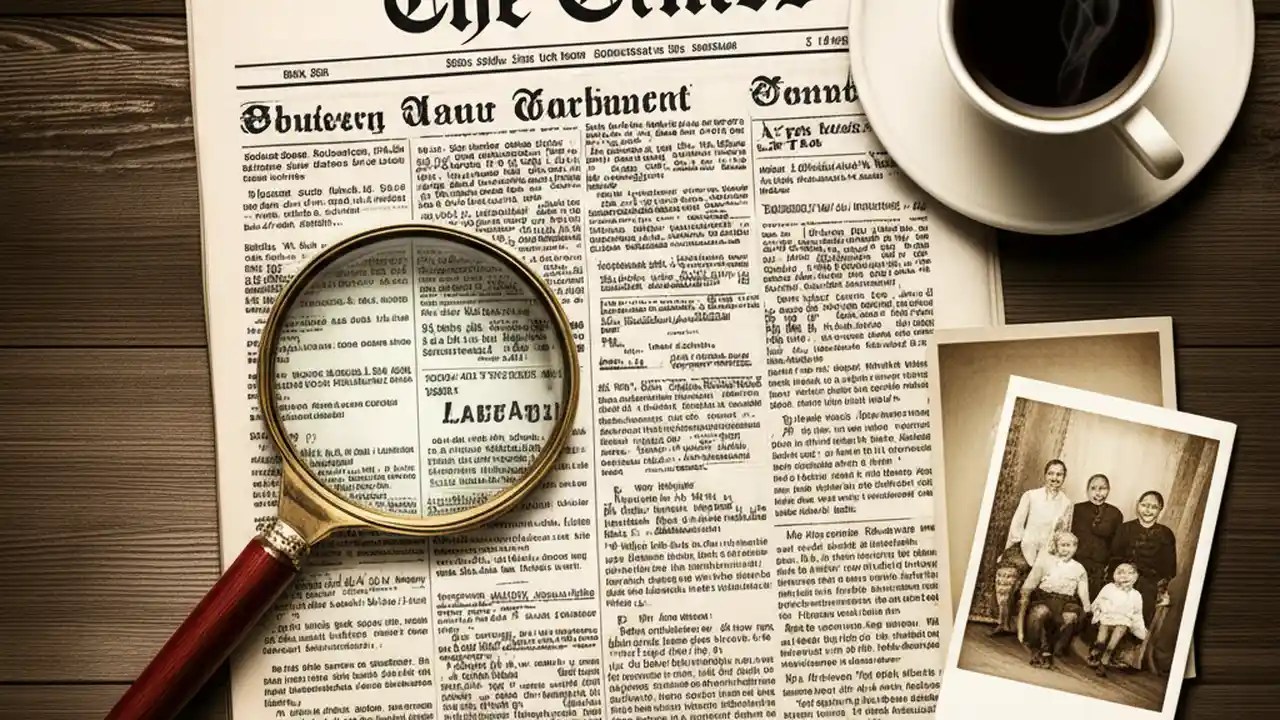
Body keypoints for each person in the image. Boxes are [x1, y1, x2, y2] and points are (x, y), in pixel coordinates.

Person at [990, 459, 1073, 635]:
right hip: (1025, 545)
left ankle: (1026, 628)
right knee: (1006, 575)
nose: (1054, 478)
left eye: (1059, 474)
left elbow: (1064, 531)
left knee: (1036, 587)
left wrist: (1057, 557)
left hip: (1047, 552)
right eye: (1051, 473)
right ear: (1045, 475)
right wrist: (1013, 546)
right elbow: (1017, 524)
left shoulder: (1066, 503)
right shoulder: (1031, 495)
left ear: (1064, 478)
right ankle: (1002, 622)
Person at [1017, 530, 1091, 669]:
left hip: (1066, 602)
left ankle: (1051, 648)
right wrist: (1024, 599)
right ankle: (1036, 649)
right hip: (1045, 598)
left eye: (1071, 545)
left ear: (1076, 547)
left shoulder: (1079, 568)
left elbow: (1083, 591)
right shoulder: (1045, 562)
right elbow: (1029, 584)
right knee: (1039, 613)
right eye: (1063, 545)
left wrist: (1087, 607)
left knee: (1070, 617)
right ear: (1056, 546)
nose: (1067, 549)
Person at [1108, 490, 1177, 628]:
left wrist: (1161, 587)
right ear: (1138, 505)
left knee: (1144, 599)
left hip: (1149, 582)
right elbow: (1115, 557)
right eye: (1145, 505)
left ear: (1160, 510)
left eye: (1154, 507)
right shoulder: (1125, 528)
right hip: (1123, 576)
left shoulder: (1166, 534)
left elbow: (1169, 567)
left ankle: (1134, 638)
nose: (1148, 510)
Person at [1070, 473, 1124, 602]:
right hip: (1075, 563)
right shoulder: (1076, 509)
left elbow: (1116, 544)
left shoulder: (1115, 514)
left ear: (1108, 490)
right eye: (1093, 488)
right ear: (1087, 490)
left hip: (1098, 569)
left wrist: (1108, 568)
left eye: (1103, 488)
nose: (1098, 493)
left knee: (1091, 603)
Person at [1088, 562, 1147, 676]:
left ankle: (1104, 662)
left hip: (1123, 621)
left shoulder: (1136, 595)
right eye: (1120, 573)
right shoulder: (1109, 588)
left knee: (1113, 641)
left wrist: (1141, 630)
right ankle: (1097, 651)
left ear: (1135, 577)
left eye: (1130, 573)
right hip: (1106, 618)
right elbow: (1097, 603)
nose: (1124, 576)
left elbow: (1137, 615)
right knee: (1101, 640)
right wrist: (1097, 614)